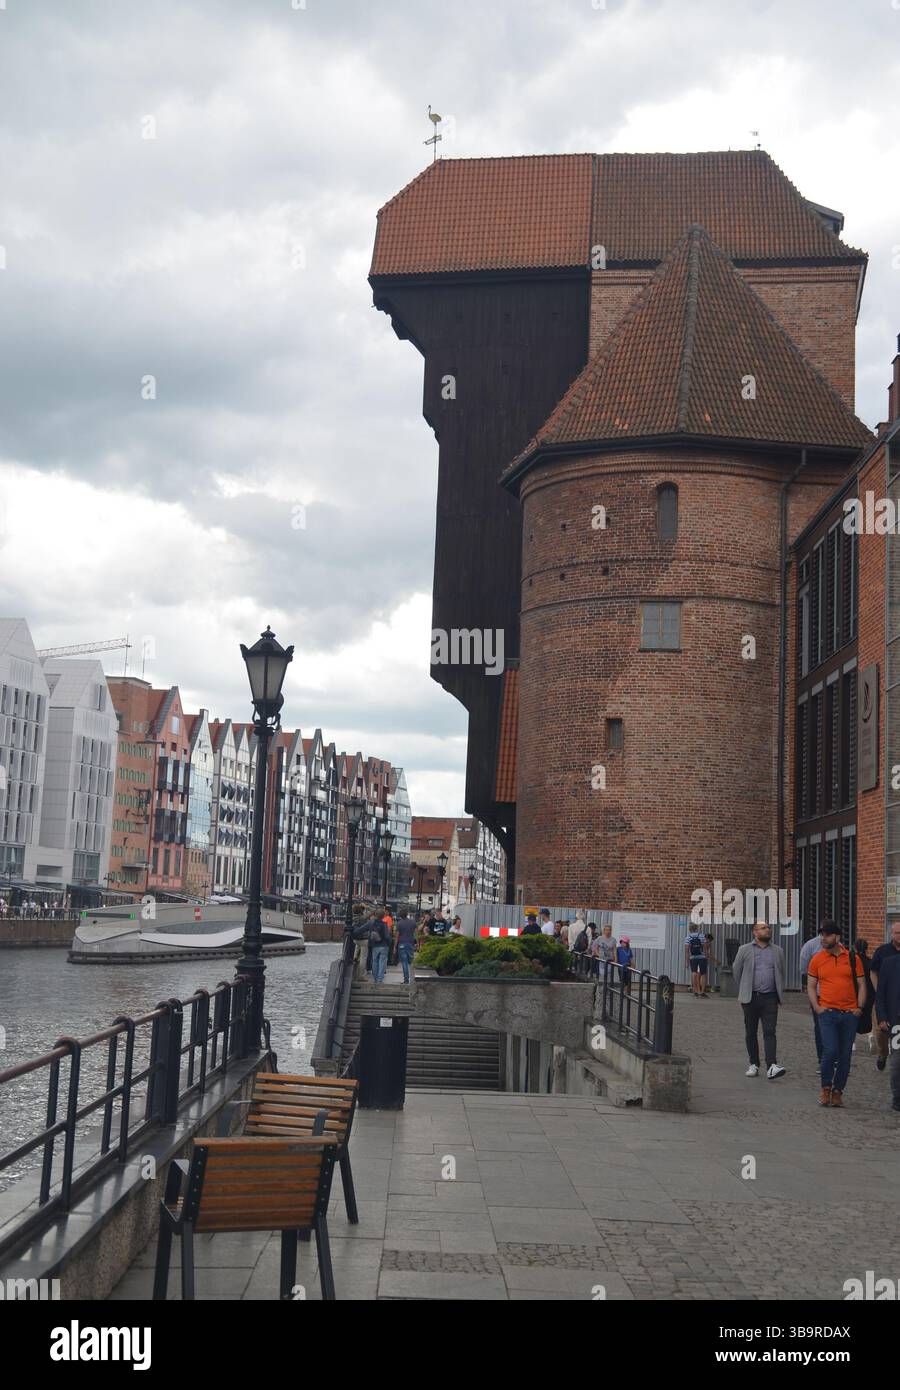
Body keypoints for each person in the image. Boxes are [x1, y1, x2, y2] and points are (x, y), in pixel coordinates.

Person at [806, 923, 866, 1107]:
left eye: (827, 935)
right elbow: (810, 985)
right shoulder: (817, 959)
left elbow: (862, 984)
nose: (823, 938)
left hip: (849, 1014)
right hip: (827, 1013)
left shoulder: (853, 958)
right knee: (830, 1051)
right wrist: (817, 1007)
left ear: (838, 937)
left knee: (845, 1055)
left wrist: (859, 1008)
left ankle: (838, 1091)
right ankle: (825, 1087)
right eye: (822, 935)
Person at [732, 922, 787, 1080]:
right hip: (750, 997)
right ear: (755, 932)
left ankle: (772, 1066)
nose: (768, 930)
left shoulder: (777, 951)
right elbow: (737, 972)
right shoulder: (744, 950)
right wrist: (745, 987)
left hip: (770, 997)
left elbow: (781, 972)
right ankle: (754, 1064)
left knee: (770, 1032)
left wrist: (778, 992)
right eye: (763, 928)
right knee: (751, 1032)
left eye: (768, 927)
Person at [800, 921, 833, 1063]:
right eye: (823, 933)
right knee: (820, 1027)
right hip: (818, 993)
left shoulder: (841, 948)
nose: (824, 937)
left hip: (835, 994)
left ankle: (834, 1057)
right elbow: (803, 968)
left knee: (835, 1027)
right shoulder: (811, 946)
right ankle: (822, 1059)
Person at [870, 922, 900, 1073]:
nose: (899, 936)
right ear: (891, 934)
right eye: (897, 933)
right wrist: (878, 990)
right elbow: (873, 971)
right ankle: (882, 1053)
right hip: (883, 996)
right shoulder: (883, 951)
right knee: (881, 1030)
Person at [875, 949, 900, 1112]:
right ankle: (898, 1097)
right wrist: (882, 1017)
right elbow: (881, 994)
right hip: (897, 1021)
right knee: (897, 1061)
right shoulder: (890, 963)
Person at [354, 912, 392, 985]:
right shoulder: (384, 924)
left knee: (374, 961)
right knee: (382, 962)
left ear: (375, 916)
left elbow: (361, 929)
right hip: (384, 946)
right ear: (383, 916)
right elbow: (387, 936)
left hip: (375, 946)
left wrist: (354, 933)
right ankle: (380, 979)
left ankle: (375, 978)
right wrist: (389, 942)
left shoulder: (371, 923)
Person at [684, 925, 709, 997]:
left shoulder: (688, 938)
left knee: (694, 973)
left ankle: (695, 992)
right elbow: (705, 948)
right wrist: (706, 956)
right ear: (696, 929)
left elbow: (686, 951)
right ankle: (702, 992)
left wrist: (687, 962)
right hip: (702, 957)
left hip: (693, 958)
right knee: (703, 974)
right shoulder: (701, 936)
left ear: (689, 929)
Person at [395, 910, 418, 986]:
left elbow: (397, 936)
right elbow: (416, 932)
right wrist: (417, 942)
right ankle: (412, 979)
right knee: (411, 962)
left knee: (404, 962)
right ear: (407, 914)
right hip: (410, 943)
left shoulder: (399, 924)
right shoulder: (413, 922)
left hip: (402, 944)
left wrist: (395, 946)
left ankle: (406, 980)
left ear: (400, 916)